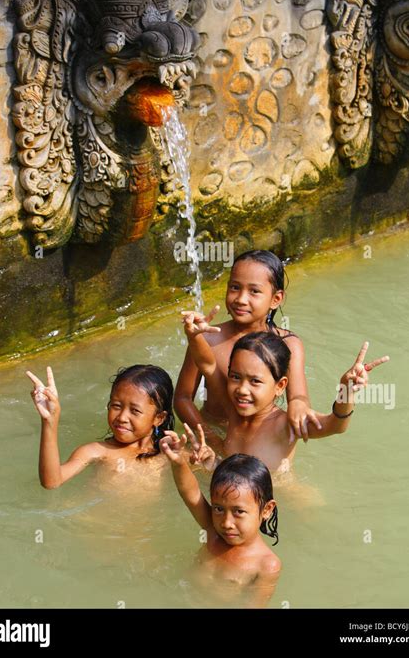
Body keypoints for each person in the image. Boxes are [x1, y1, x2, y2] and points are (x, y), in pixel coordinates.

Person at [180, 317, 389, 472]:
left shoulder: (285, 424)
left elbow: (335, 425)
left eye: (255, 381)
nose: (242, 389)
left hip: (281, 496)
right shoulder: (233, 409)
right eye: (235, 377)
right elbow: (207, 363)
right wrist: (194, 335)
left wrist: (347, 390)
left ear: (280, 386)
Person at [173, 250, 321, 444]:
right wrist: (212, 439)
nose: (241, 299)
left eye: (254, 291)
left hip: (260, 438)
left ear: (276, 299)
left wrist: (299, 405)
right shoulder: (206, 338)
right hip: (213, 431)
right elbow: (182, 399)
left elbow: (298, 397)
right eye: (235, 287)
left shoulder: (289, 344)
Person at [160, 433, 281, 608]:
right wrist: (178, 461)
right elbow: (190, 493)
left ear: (267, 510)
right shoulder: (213, 531)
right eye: (218, 509)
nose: (226, 523)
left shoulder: (266, 565)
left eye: (239, 511)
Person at [26, 364, 175, 488]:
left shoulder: (171, 454)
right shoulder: (97, 451)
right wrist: (50, 421)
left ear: (159, 418)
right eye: (116, 406)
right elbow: (52, 482)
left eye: (135, 411)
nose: (122, 417)